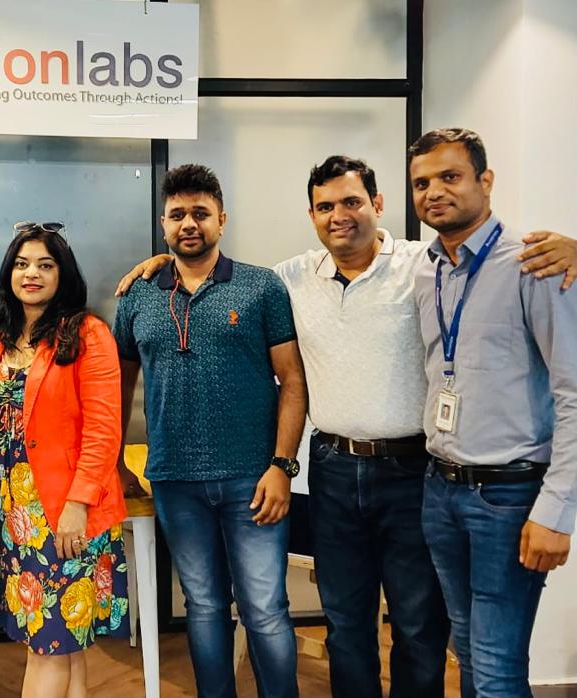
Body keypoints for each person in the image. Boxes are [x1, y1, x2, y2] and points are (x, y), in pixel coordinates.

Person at [116, 158, 577, 698]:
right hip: (332, 470)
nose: (339, 215)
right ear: (311, 215)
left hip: (412, 471)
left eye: (352, 202)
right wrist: (162, 263)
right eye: (325, 206)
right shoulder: (291, 277)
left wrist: (572, 250)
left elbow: (483, 257)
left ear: (377, 205)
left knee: (418, 623)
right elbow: (197, 278)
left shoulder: (421, 264)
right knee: (345, 623)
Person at [113, 164, 308, 698]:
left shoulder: (261, 287)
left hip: (253, 479)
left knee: (264, 607)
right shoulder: (138, 296)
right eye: (177, 214)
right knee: (202, 605)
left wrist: (282, 466)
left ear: (222, 219)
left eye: (200, 213)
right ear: (163, 223)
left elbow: (293, 381)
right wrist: (115, 462)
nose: (188, 224)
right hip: (175, 480)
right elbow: (118, 386)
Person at [411, 128, 577, 698]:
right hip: (440, 490)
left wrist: (557, 511)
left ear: (486, 181)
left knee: (497, 667)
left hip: (508, 497)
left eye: (449, 177)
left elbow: (573, 393)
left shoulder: (535, 264)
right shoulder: (425, 269)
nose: (434, 191)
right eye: (422, 183)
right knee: (467, 650)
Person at [0, 222, 130, 698]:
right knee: (60, 643)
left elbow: (104, 429)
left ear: (63, 274)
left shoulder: (87, 333)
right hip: (16, 514)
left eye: (45, 265)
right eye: (22, 264)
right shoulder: (0, 335)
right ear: (9, 273)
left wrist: (77, 505)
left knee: (50, 646)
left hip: (64, 512)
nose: (32, 274)